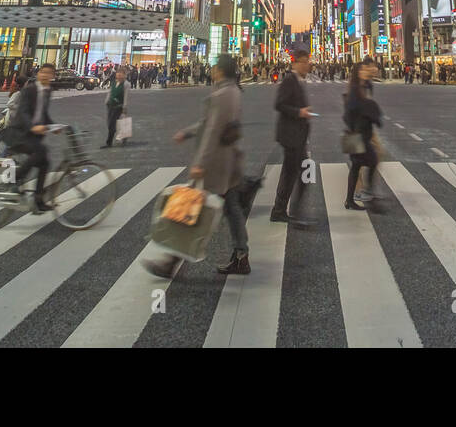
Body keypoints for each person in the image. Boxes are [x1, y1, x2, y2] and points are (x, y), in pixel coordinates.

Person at [150, 55, 249, 277]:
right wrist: (187, 132)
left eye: (214, 67)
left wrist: (200, 164)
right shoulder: (233, 91)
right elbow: (210, 124)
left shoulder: (223, 94)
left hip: (216, 163)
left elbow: (213, 130)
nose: (212, 71)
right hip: (229, 161)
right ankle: (241, 256)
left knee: (189, 208)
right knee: (232, 210)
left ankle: (171, 261)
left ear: (220, 70)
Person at [4, 63, 56, 212]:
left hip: (32, 136)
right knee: (41, 151)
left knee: (45, 163)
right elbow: (23, 112)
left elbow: (43, 114)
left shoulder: (47, 91)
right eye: (42, 72)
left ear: (52, 76)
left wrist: (55, 126)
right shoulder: (29, 90)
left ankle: (38, 199)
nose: (45, 75)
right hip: (18, 133)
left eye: (49, 73)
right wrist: (32, 126)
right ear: (38, 74)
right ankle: (15, 179)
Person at [271, 47, 313, 225]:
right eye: (304, 62)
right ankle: (286, 210)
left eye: (307, 62)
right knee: (300, 172)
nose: (307, 66)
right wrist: (299, 112)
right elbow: (279, 104)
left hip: (296, 136)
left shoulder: (297, 80)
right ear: (295, 62)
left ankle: (284, 210)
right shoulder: (290, 80)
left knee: (294, 173)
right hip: (291, 136)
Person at [344, 59, 384, 211]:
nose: (368, 71)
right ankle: (367, 193)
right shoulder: (354, 89)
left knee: (356, 166)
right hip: (355, 133)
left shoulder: (366, 85)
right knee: (371, 160)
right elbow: (351, 110)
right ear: (358, 72)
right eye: (364, 69)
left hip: (361, 132)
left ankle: (351, 199)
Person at [103, 68, 127, 148]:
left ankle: (108, 143)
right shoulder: (114, 82)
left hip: (118, 107)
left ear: (124, 75)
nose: (119, 75)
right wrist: (106, 101)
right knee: (110, 123)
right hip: (110, 105)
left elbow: (126, 96)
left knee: (111, 124)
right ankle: (123, 136)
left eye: (121, 73)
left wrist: (124, 107)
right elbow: (110, 92)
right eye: (118, 73)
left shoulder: (126, 84)